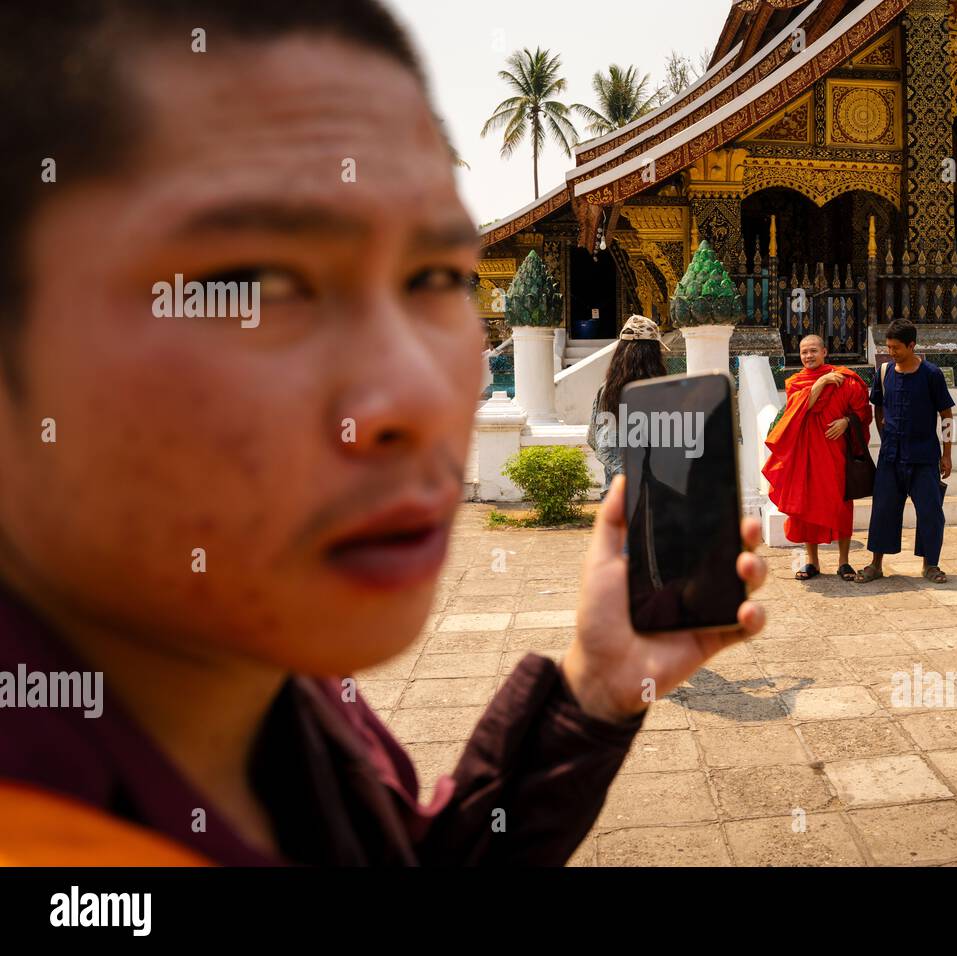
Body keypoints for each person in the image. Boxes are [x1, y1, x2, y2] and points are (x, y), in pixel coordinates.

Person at [0, 0, 767, 865]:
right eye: (260, 281)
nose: (414, 391)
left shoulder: (269, 676)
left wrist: (588, 699)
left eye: (435, 275)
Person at [762, 334, 872, 582]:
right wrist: (821, 382)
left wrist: (847, 422)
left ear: (824, 351)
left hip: (836, 455)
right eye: (804, 352)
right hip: (807, 455)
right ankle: (813, 562)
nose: (808, 356)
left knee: (842, 507)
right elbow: (801, 409)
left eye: (813, 351)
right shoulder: (796, 382)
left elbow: (863, 414)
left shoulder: (847, 380)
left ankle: (844, 562)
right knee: (807, 506)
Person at [858, 319, 955, 584]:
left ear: (912, 346)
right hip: (891, 456)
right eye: (888, 347)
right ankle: (876, 564)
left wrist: (947, 454)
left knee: (931, 511)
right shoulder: (884, 372)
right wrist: (883, 434)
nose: (891, 352)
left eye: (897, 347)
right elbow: (878, 407)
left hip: (924, 456)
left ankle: (930, 564)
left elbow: (946, 415)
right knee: (883, 510)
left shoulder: (931, 374)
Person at [587, 314, 669, 496]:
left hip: (618, 492)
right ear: (652, 353)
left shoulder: (608, 390)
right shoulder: (660, 390)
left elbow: (595, 440)